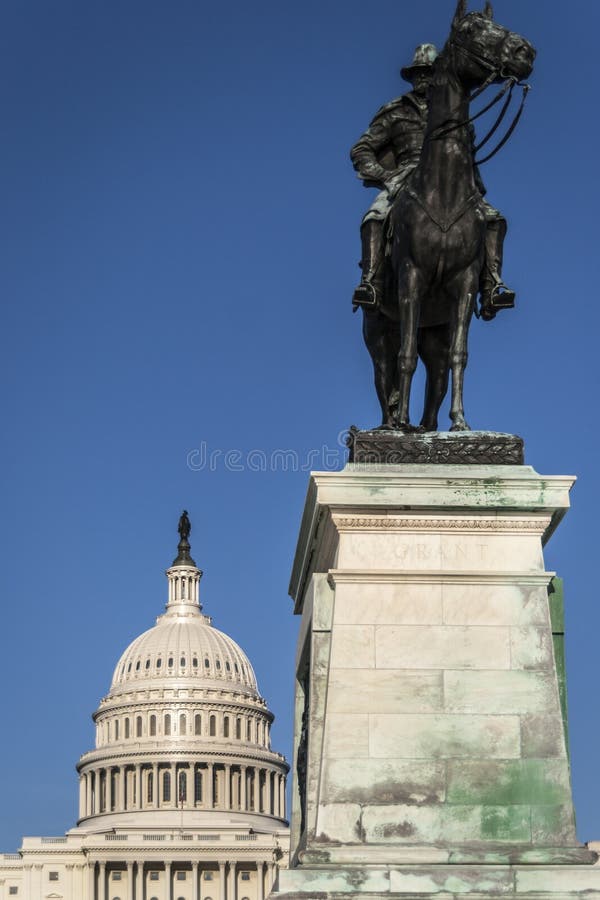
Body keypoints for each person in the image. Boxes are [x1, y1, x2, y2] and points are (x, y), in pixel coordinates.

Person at [350, 44, 514, 320]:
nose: (423, 78)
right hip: (405, 176)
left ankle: (491, 286)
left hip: (454, 182)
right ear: (412, 77)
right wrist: (384, 176)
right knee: (374, 216)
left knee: (494, 218)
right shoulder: (395, 110)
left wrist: (475, 188)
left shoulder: (458, 115)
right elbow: (361, 149)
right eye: (418, 73)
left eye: (429, 72)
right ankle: (371, 281)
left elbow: (467, 157)